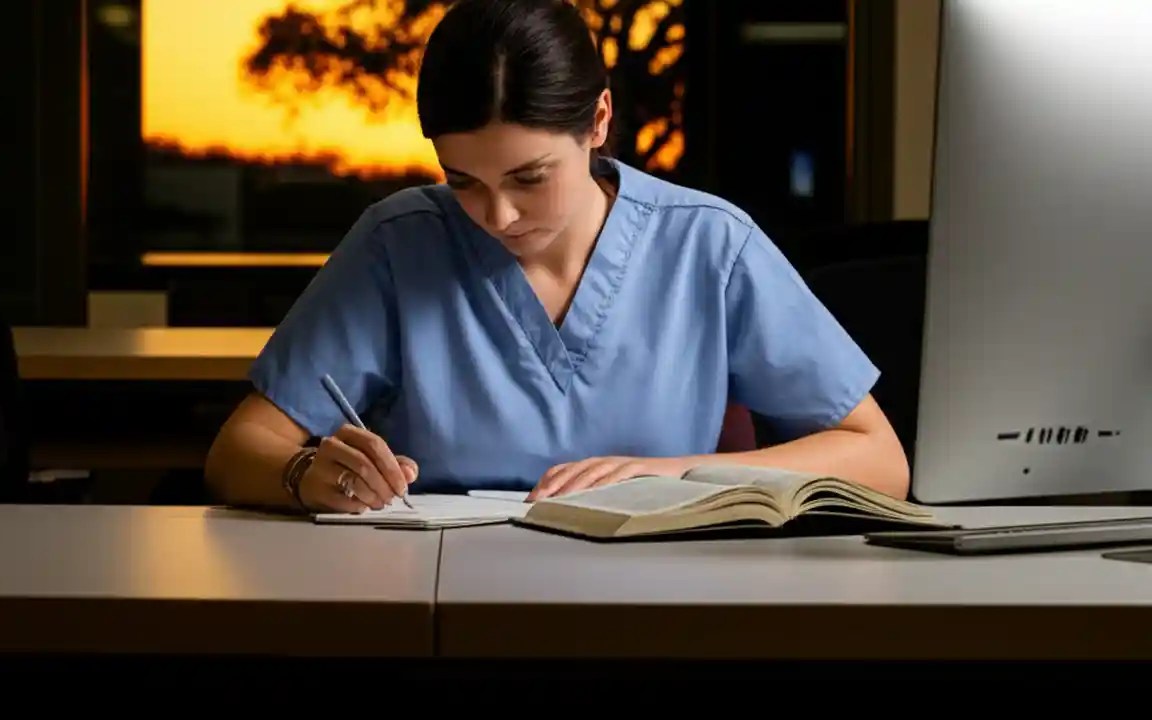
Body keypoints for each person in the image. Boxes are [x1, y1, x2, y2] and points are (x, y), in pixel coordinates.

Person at [204, 0, 910, 514]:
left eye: (528, 177)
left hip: (664, 604)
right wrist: (305, 474)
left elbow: (878, 459)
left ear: (598, 121)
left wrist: (670, 476)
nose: (497, 216)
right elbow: (240, 451)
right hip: (439, 600)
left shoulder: (708, 243)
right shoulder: (400, 242)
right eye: (464, 181)